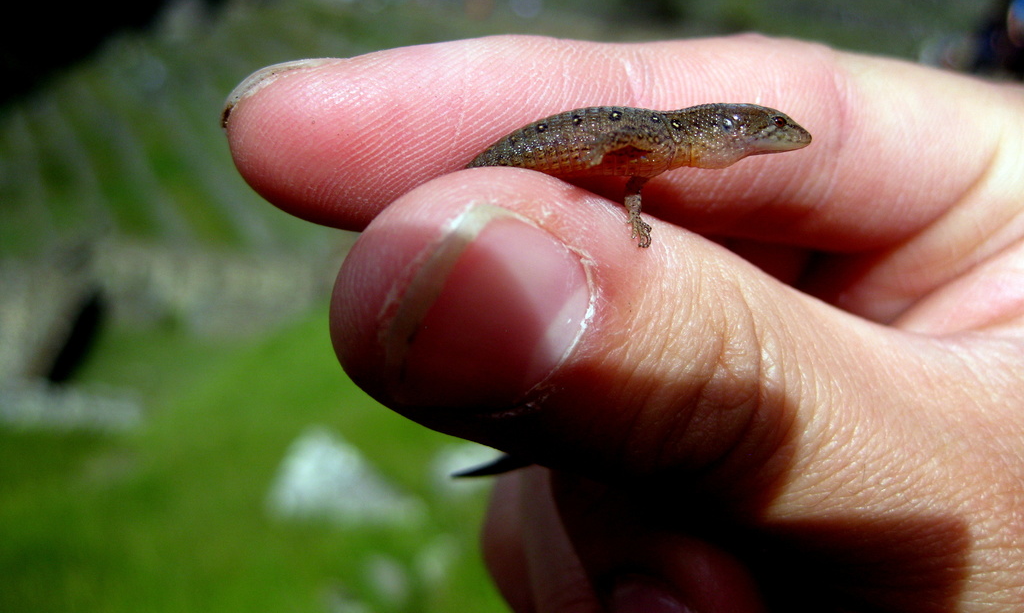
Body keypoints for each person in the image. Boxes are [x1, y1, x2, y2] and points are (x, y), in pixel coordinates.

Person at [223, 34, 1024, 612]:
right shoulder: (662, 139)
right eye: (759, 130)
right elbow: (613, 147)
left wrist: (631, 215)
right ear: (722, 130)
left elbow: (624, 167)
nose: (773, 141)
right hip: (495, 173)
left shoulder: (663, 148)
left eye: (767, 129)